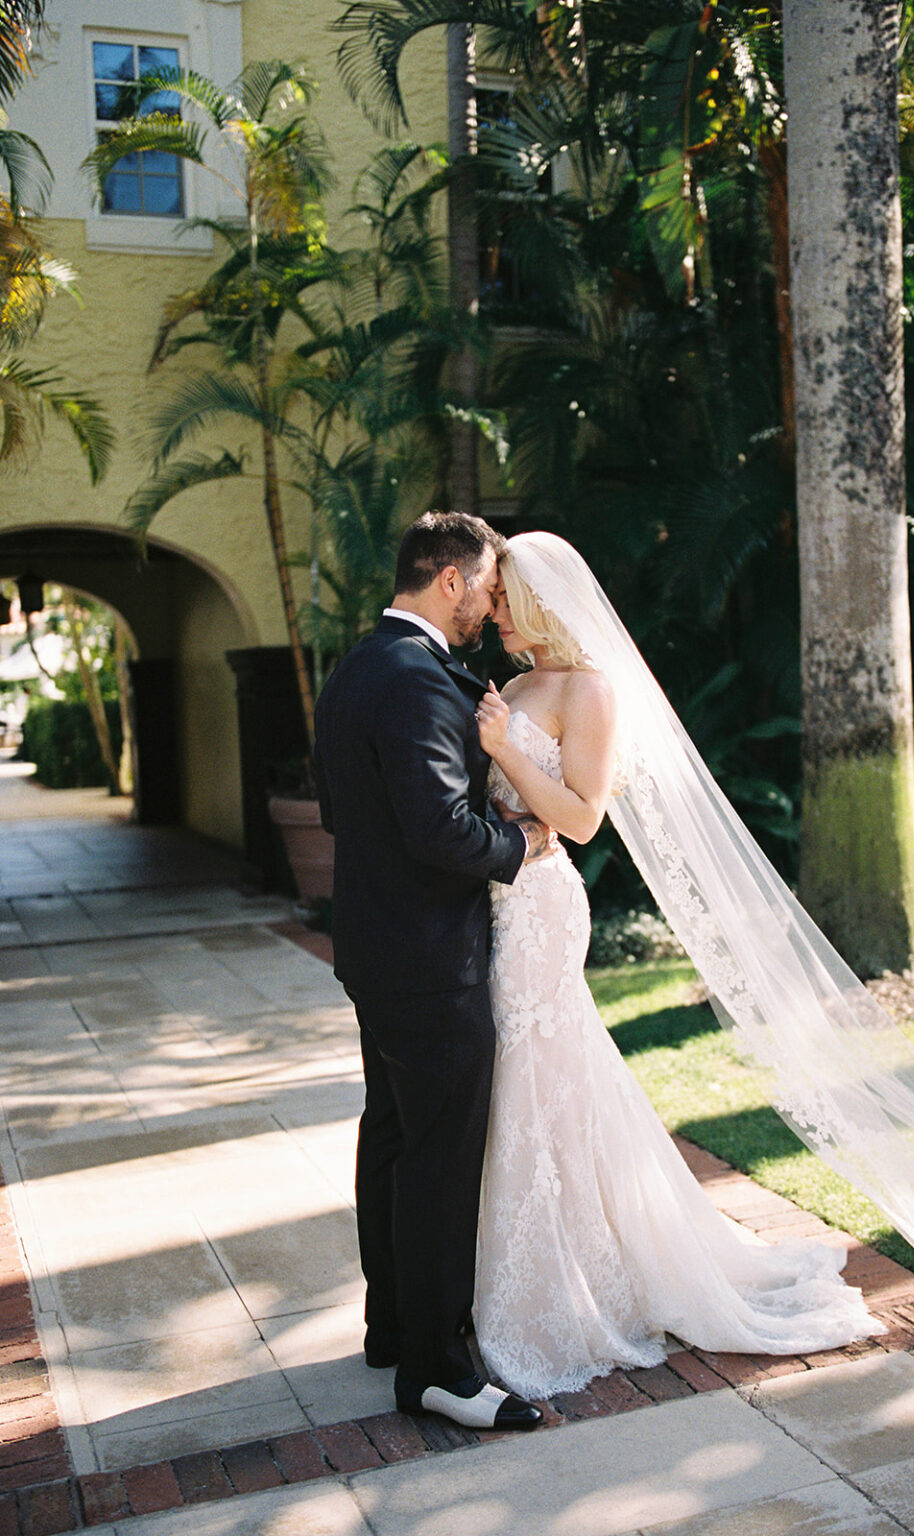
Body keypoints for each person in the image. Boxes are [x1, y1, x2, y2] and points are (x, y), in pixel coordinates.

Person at [470, 530, 914, 1402]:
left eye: (503, 598)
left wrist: (506, 752)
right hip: (496, 906)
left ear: (540, 600)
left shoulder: (590, 690)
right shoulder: (512, 686)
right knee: (533, 1084)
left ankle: (574, 1287)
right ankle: (542, 1266)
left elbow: (580, 820)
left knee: (540, 1078)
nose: (491, 611)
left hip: (542, 907)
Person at [313, 511, 551, 1432]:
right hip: (427, 958)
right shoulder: (411, 680)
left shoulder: (358, 665)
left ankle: (392, 1326)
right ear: (448, 579)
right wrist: (522, 841)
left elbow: (340, 807)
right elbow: (440, 831)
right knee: (442, 1155)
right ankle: (439, 1369)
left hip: (378, 947)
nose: (491, 603)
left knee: (396, 1136)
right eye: (488, 585)